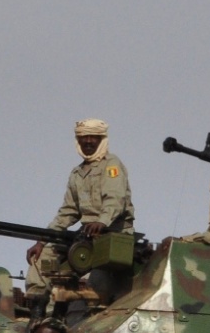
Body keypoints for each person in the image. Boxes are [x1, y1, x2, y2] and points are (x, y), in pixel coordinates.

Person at [25, 119, 135, 310]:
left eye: (93, 137)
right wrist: (42, 241)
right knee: (45, 254)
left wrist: (101, 222)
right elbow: (67, 211)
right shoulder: (77, 173)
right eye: (84, 137)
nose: (88, 141)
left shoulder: (111, 166)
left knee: (96, 281)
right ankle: (36, 305)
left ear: (102, 139)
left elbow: (115, 199)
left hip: (113, 235)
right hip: (86, 235)